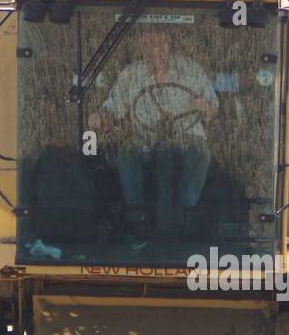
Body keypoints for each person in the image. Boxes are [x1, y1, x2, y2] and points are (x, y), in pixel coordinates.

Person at [89, 28, 217, 233]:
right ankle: (136, 215)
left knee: (201, 153)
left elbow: (212, 108)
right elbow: (113, 106)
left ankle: (183, 215)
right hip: (146, 139)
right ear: (141, 46)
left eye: (158, 43)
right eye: (147, 45)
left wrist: (203, 105)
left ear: (169, 43)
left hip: (187, 137)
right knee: (127, 152)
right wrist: (101, 117)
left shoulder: (190, 70)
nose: (153, 49)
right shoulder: (131, 74)